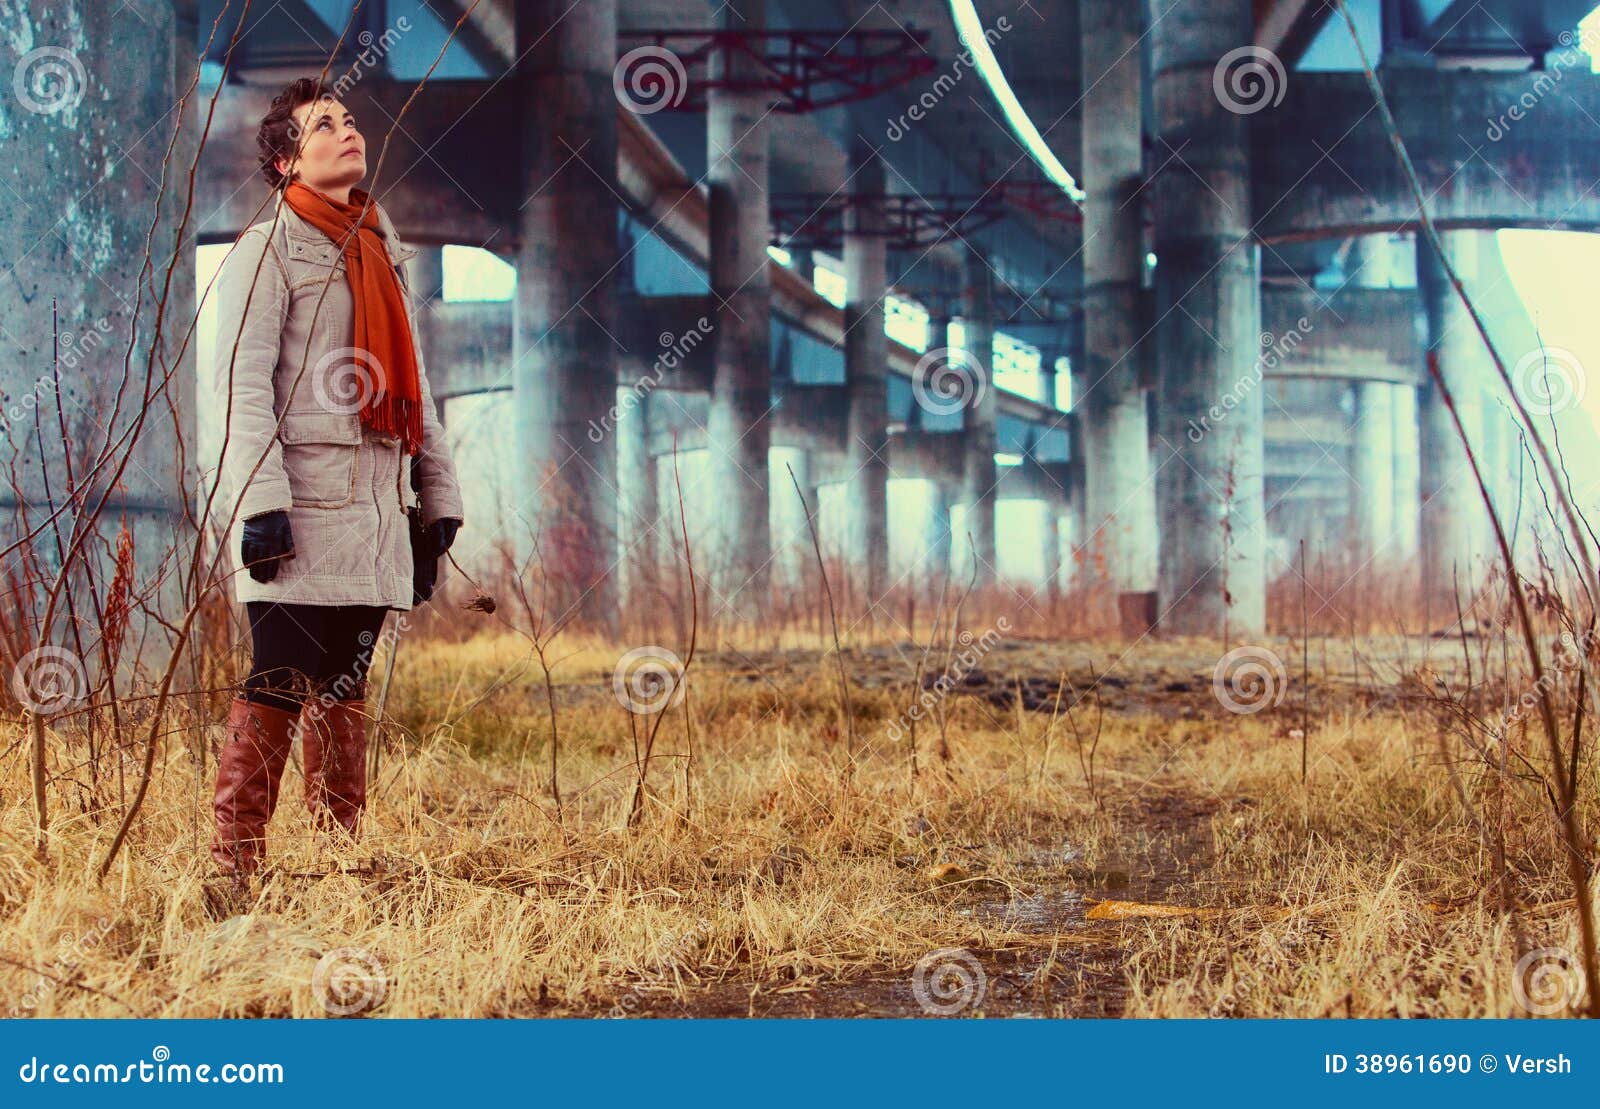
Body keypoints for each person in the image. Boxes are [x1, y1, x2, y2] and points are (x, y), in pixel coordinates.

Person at [207, 77, 463, 901]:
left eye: (349, 120)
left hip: (375, 512)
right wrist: (258, 504)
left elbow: (417, 386)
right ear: (286, 161)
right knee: (279, 674)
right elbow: (241, 385)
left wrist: (438, 500)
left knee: (345, 683)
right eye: (323, 126)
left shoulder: (380, 245)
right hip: (299, 508)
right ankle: (233, 871)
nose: (346, 131)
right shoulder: (266, 250)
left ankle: (335, 866)